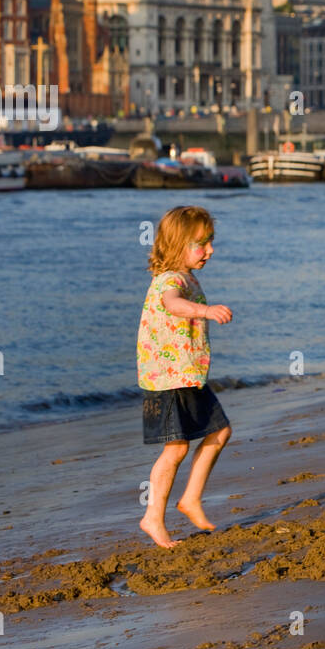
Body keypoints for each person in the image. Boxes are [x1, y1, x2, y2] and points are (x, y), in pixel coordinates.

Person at [136, 205, 234, 548]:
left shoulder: (187, 276)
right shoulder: (170, 280)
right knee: (175, 448)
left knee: (220, 431)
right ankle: (152, 517)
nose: (210, 250)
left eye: (211, 241)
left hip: (188, 376)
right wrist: (205, 310)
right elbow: (173, 304)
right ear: (177, 246)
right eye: (201, 244)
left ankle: (191, 497)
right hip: (167, 380)